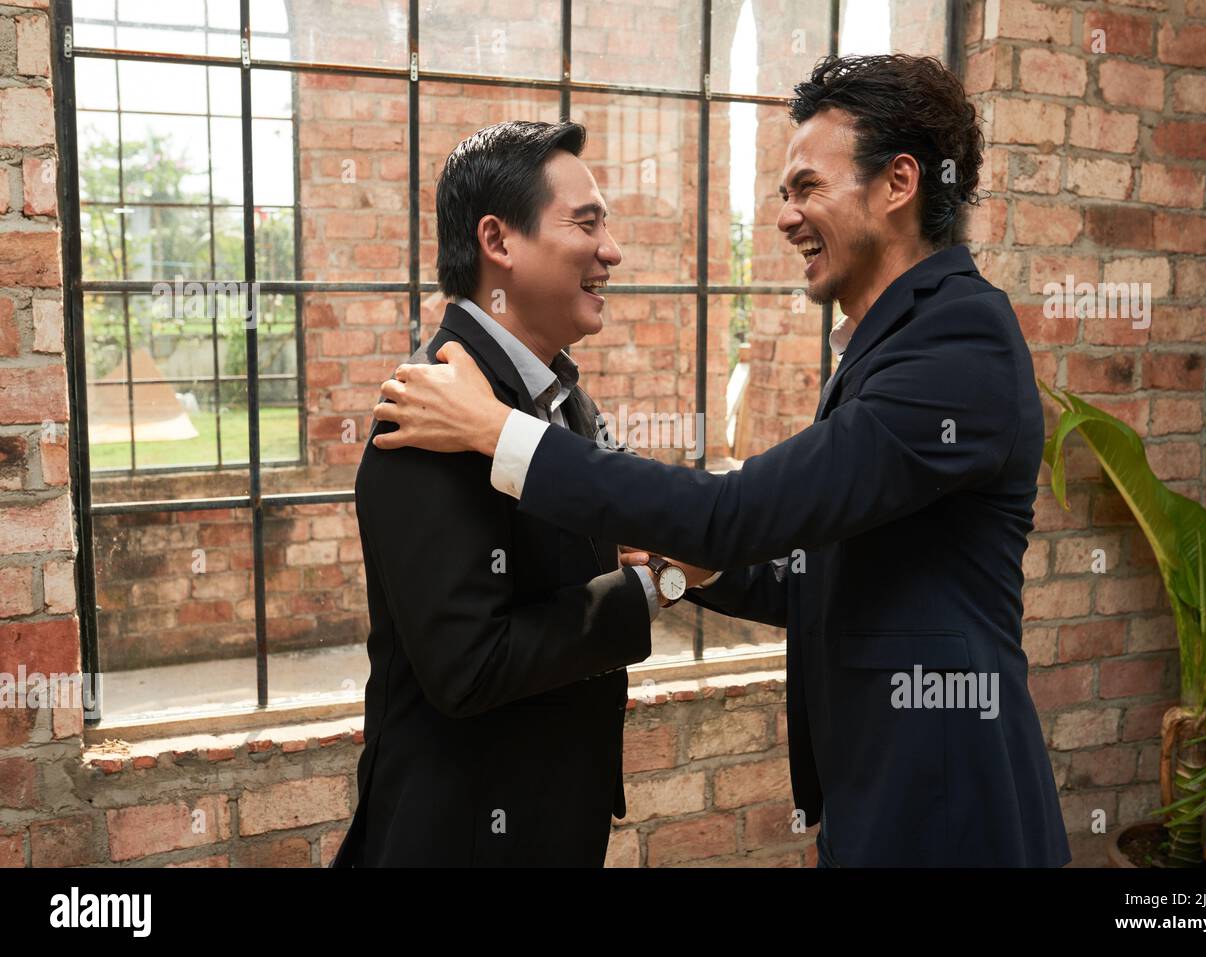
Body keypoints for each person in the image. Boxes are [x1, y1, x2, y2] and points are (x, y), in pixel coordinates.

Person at [369, 55, 1072, 867]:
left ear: (898, 183)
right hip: (880, 796)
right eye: (784, 195)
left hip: (951, 807)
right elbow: (828, 571)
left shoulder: (956, 344)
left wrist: (499, 434)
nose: (783, 217)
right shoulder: (892, 344)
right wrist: (695, 574)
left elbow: (732, 516)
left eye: (806, 187)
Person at [332, 121, 666, 867]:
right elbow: (468, 665)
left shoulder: (560, 396)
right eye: (586, 223)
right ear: (499, 241)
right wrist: (638, 594)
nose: (611, 250)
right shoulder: (424, 415)